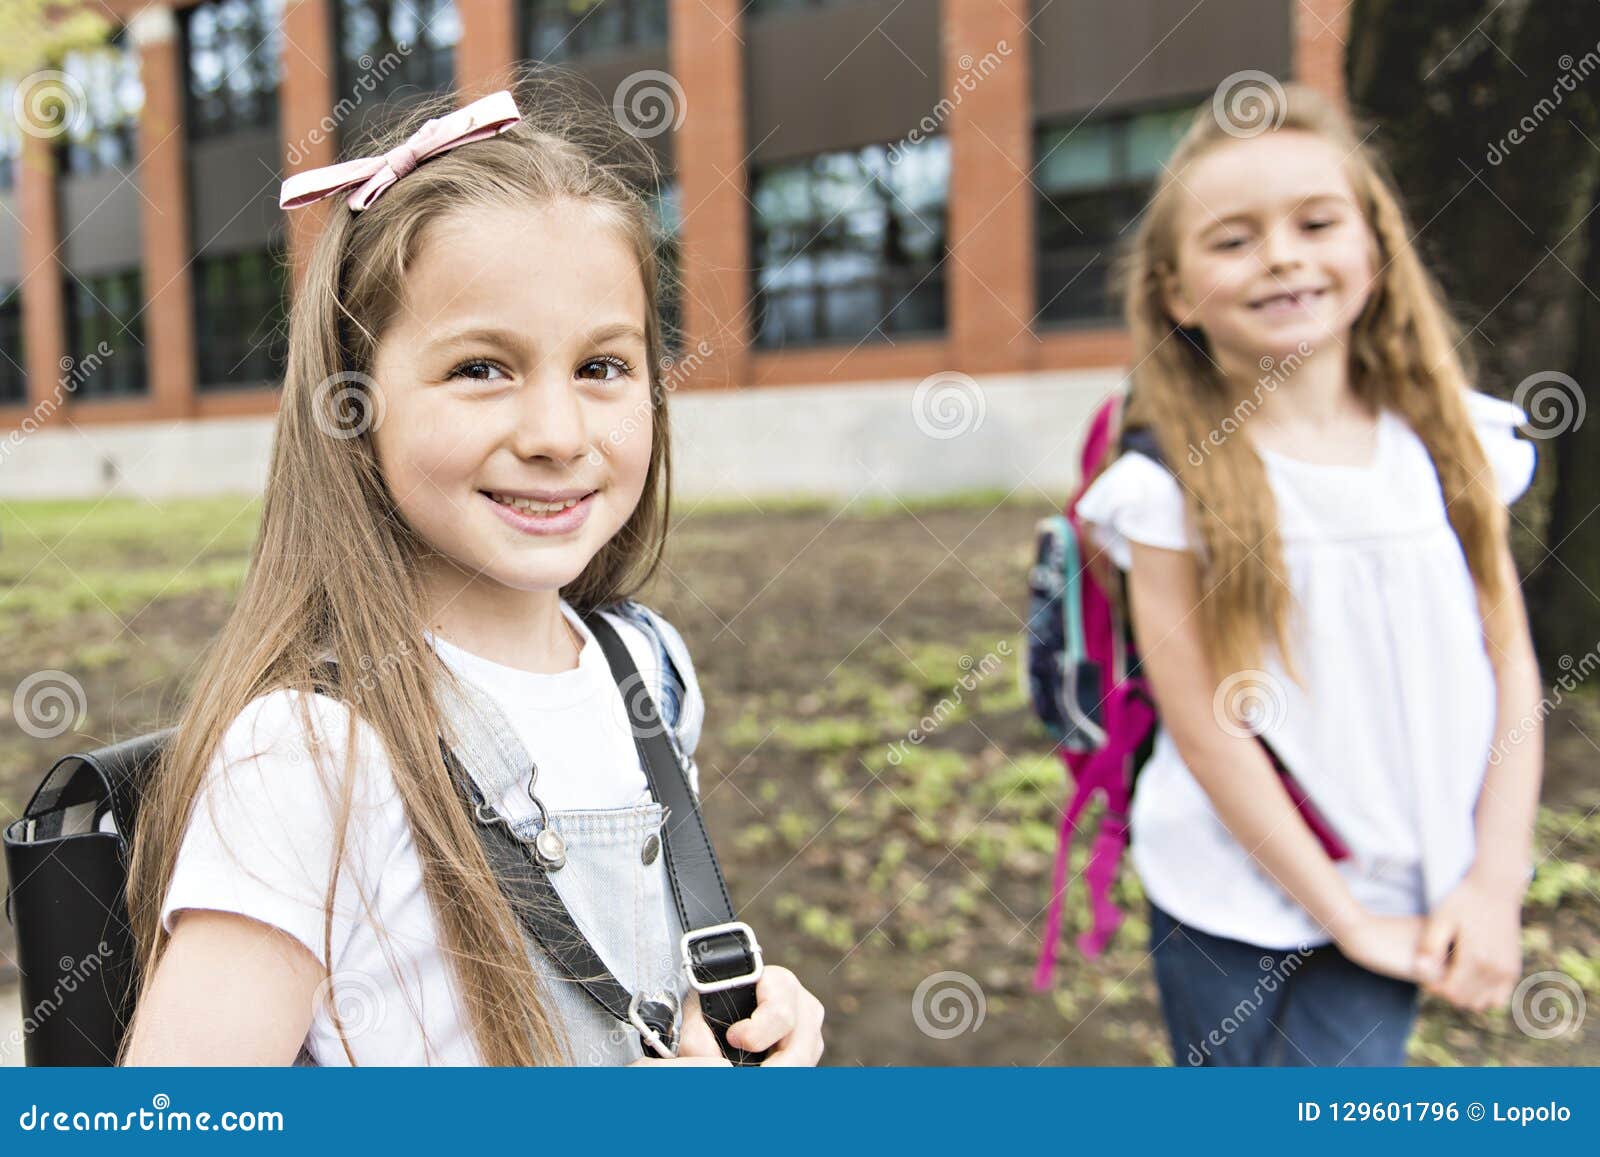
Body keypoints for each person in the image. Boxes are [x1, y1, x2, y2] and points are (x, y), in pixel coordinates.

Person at [120, 72, 824, 1067]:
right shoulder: (312, 752)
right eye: (480, 369)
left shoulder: (647, 667)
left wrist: (735, 1015)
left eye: (602, 366)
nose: (553, 433)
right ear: (354, 412)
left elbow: (636, 983)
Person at [1074, 83, 1542, 1066]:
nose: (1282, 254)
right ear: (1174, 290)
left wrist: (1494, 883)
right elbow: (1203, 728)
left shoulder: (1459, 442)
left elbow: (1511, 669)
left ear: (1371, 247)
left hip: (1420, 888)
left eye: (1316, 222)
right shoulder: (1164, 490)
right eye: (1233, 239)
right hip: (1235, 904)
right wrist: (1347, 917)